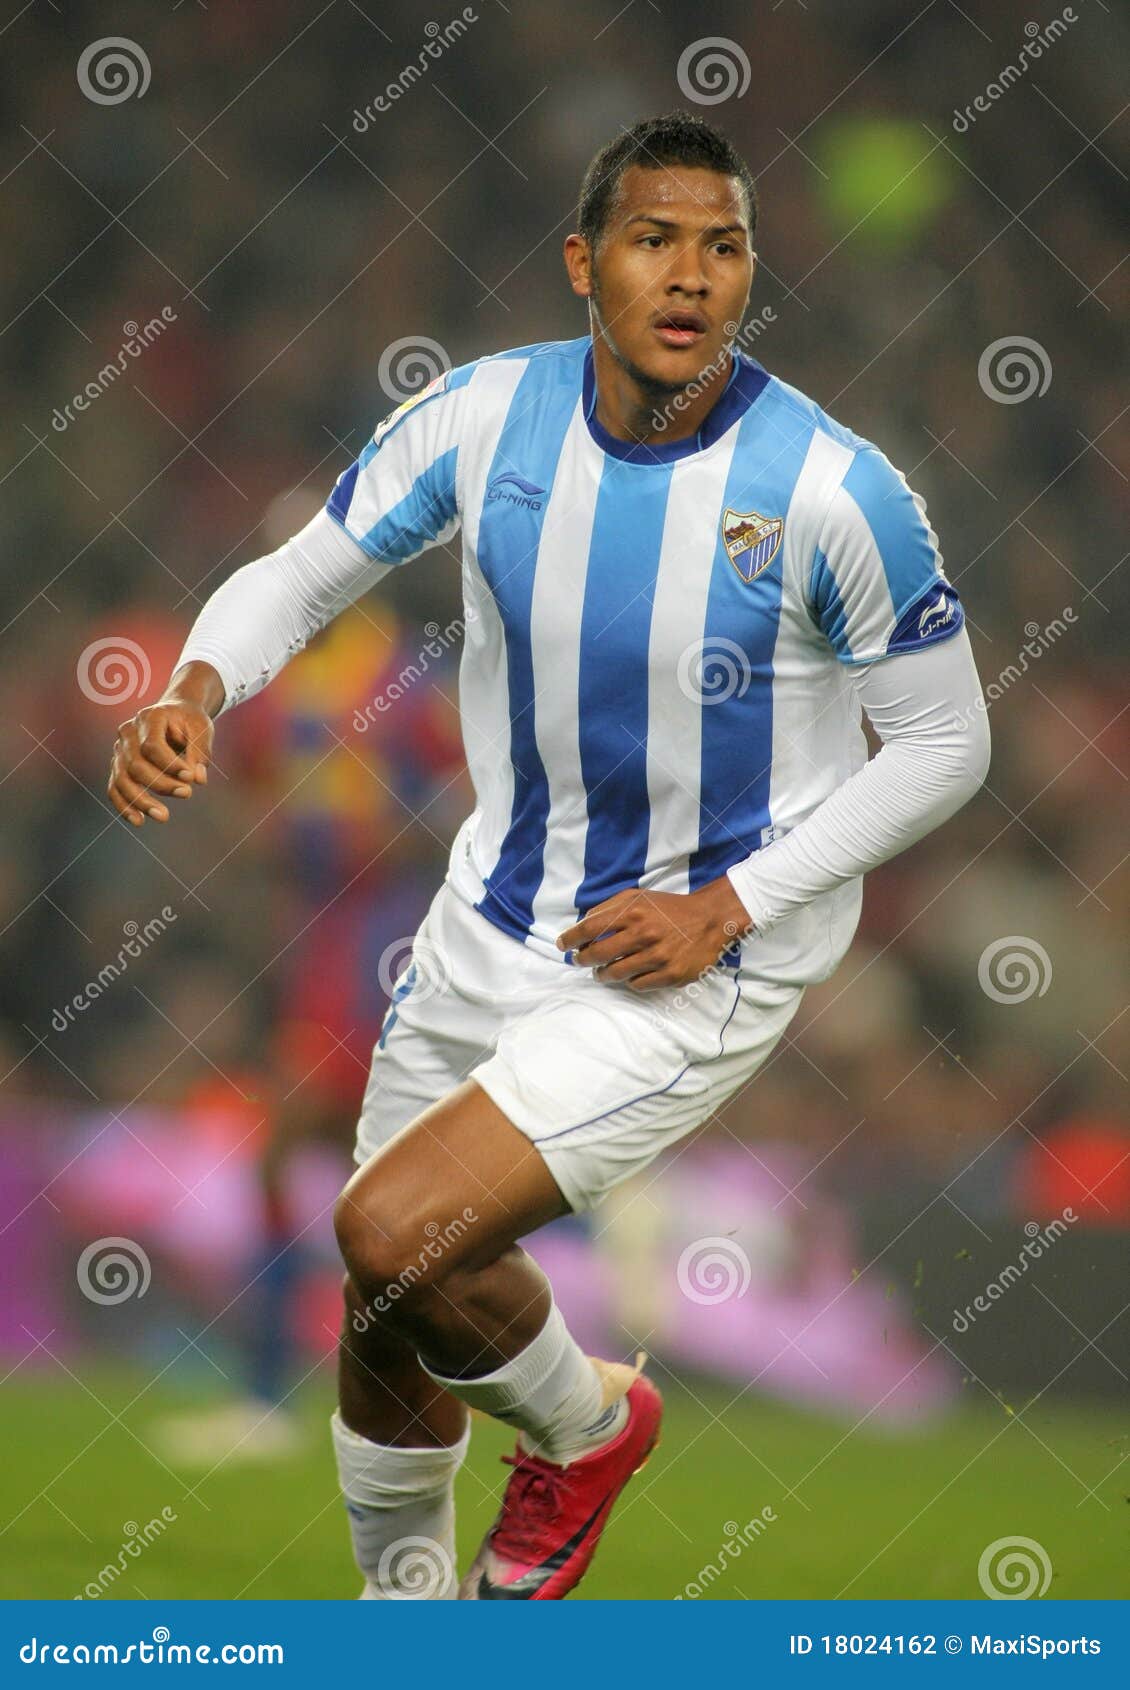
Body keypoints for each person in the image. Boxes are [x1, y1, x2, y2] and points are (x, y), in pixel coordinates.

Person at [107, 112, 990, 1600]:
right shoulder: (480, 419)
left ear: (748, 274)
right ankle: (415, 1629)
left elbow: (948, 742)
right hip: (490, 915)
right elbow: (302, 570)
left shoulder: (837, 491)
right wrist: (194, 692)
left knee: (388, 1223)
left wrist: (732, 903)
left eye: (721, 246)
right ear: (585, 262)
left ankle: (590, 1428)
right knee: (388, 1299)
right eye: (654, 239)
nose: (689, 276)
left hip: (694, 951)